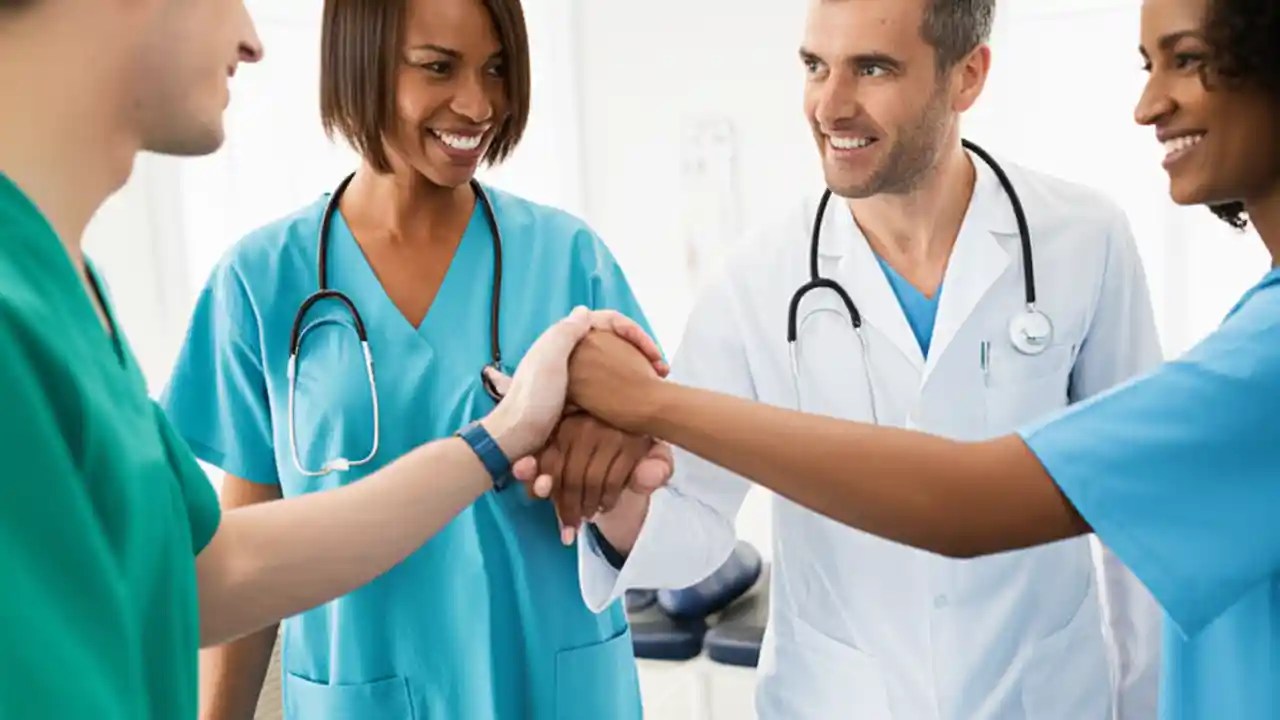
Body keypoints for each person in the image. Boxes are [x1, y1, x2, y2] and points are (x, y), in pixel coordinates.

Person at [549, 0, 1280, 716]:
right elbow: (692, 523)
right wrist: (616, 494)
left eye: (872, 68)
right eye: (814, 65)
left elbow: (1133, 524)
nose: (830, 106)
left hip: (1044, 698)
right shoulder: (758, 277)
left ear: (967, 76)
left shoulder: (1083, 238)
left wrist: (1142, 705)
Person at [0, 0, 661, 718]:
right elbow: (227, 570)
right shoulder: (261, 279)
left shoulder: (568, 261)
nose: (478, 102)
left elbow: (663, 495)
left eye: (497, 69)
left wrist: (619, 451)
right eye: (439, 66)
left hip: (552, 686)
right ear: (364, 60)